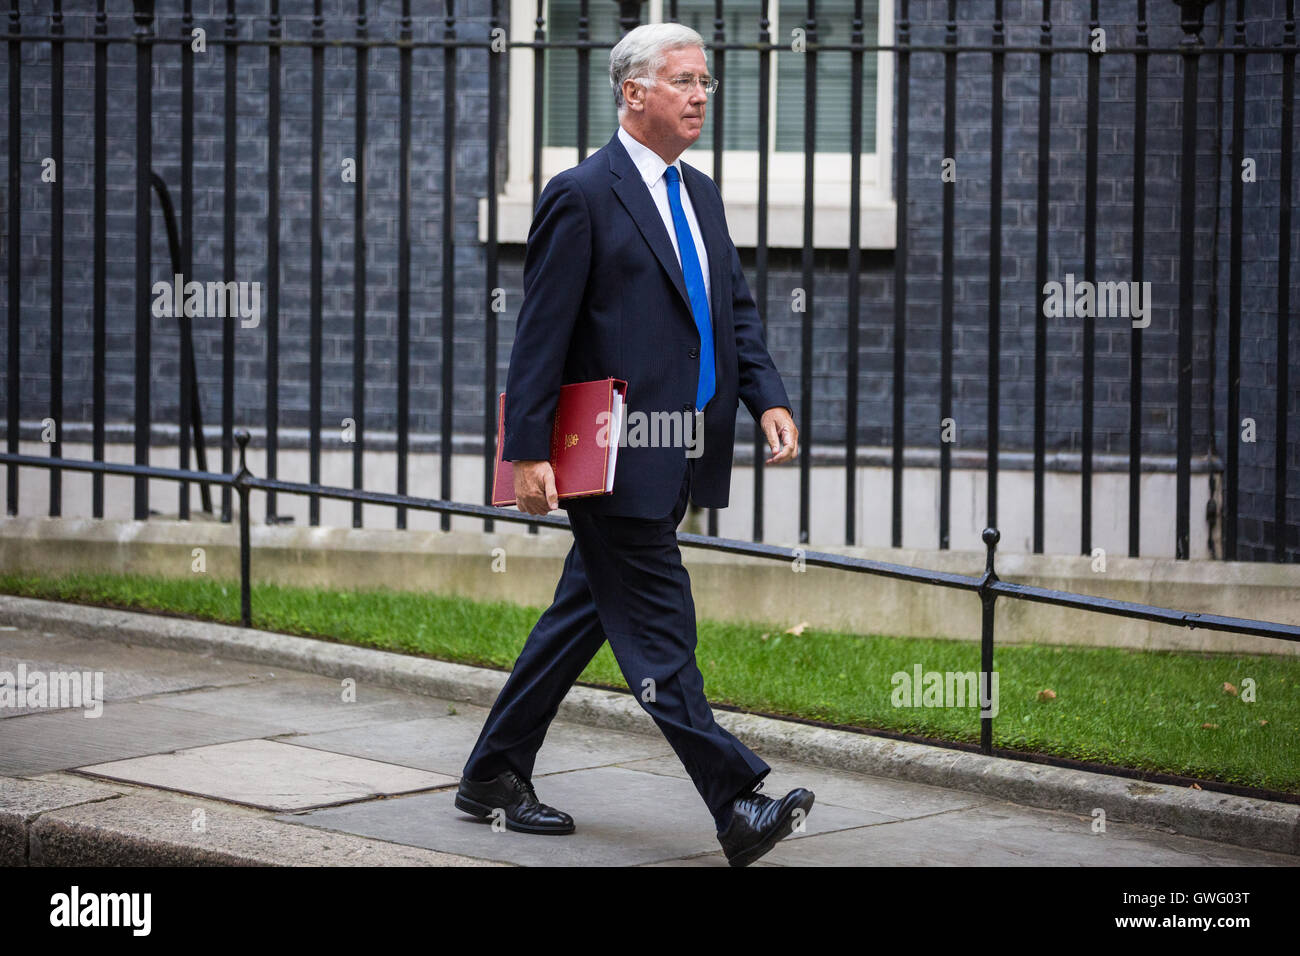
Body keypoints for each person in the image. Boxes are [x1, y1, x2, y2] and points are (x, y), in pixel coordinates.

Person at [457, 22, 814, 867]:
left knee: (583, 614)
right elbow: (540, 334)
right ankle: (738, 803)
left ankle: (492, 776)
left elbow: (731, 312)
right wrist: (527, 452)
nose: (699, 96)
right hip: (614, 460)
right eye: (683, 81)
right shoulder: (582, 193)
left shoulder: (701, 193)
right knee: (660, 630)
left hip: (681, 445)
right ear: (633, 92)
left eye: (705, 83)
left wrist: (766, 396)